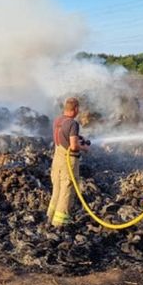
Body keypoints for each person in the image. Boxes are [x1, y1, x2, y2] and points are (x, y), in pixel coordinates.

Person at [47, 97, 90, 228]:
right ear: (75, 108)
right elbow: (73, 146)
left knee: (57, 189)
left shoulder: (58, 120)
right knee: (67, 190)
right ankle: (60, 222)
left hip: (57, 159)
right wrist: (84, 148)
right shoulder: (72, 124)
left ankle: (50, 216)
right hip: (68, 160)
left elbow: (63, 137)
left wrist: (79, 139)